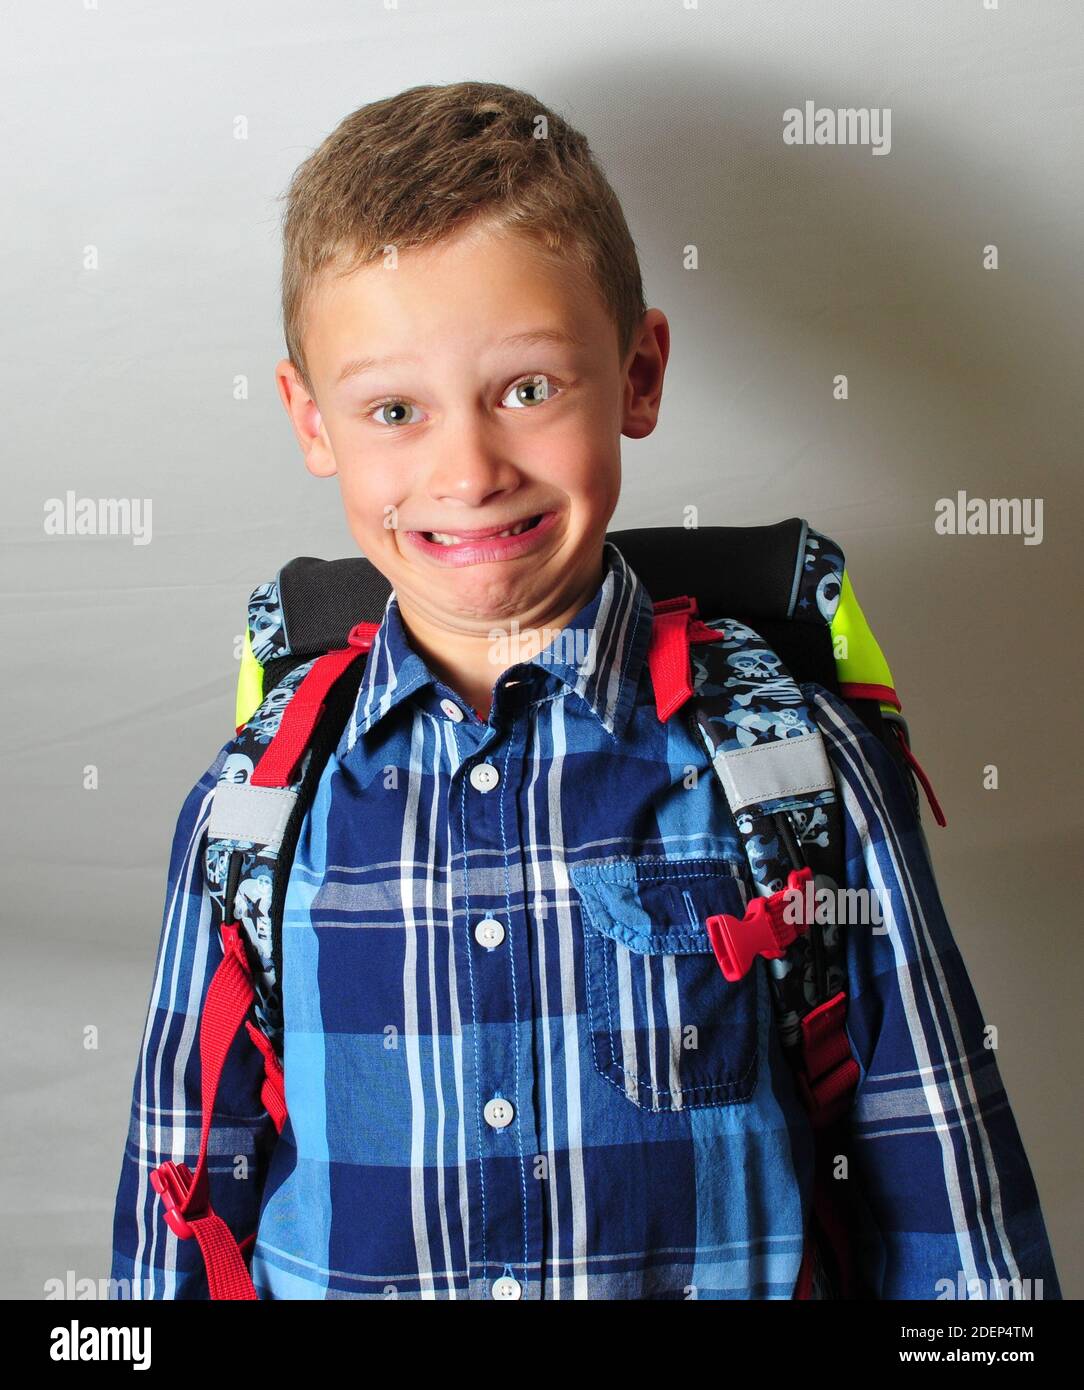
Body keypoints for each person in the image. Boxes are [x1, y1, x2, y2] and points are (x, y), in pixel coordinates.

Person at [109, 80, 1062, 1300]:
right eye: (393, 410)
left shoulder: (790, 766)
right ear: (312, 422)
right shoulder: (254, 807)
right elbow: (179, 1193)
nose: (468, 470)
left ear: (638, 373)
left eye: (527, 389)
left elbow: (948, 1199)